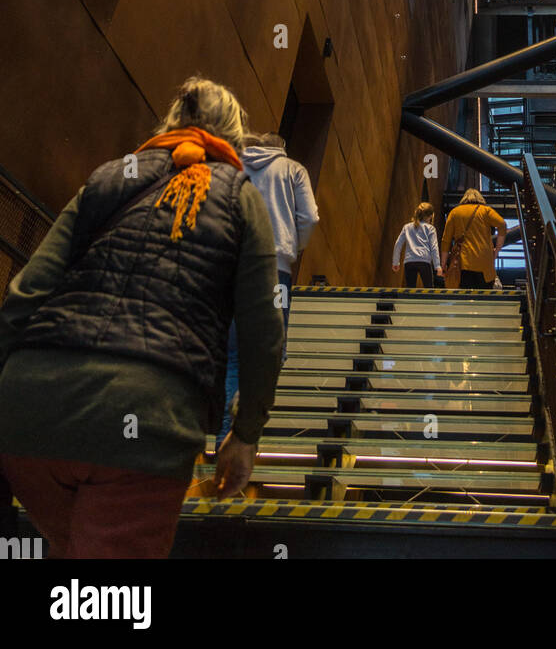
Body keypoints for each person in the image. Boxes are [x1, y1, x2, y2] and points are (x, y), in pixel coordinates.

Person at [0, 77, 285, 559]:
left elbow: (26, 292)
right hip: (146, 424)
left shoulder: (111, 176)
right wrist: (246, 434)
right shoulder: (240, 197)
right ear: (235, 136)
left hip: (30, 408)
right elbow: (263, 333)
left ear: (172, 120)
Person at [216, 132, 319, 446]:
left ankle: (223, 437)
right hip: (276, 270)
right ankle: (246, 430)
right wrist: (292, 245)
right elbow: (310, 217)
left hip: (235, 267)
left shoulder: (235, 166)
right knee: (274, 349)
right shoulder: (293, 169)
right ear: (281, 148)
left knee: (233, 351)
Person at [441, 188, 507, 289]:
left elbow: (446, 240)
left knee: (464, 294)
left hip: (463, 263)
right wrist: (497, 249)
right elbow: (502, 224)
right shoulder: (486, 211)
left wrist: (443, 264)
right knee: (483, 294)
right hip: (485, 263)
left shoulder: (455, 212)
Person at [392, 201, 442, 288]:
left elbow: (398, 244)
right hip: (424, 261)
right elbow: (434, 247)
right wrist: (437, 265)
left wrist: (395, 262)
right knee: (429, 289)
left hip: (409, 261)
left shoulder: (407, 227)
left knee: (410, 289)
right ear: (431, 216)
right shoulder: (430, 228)